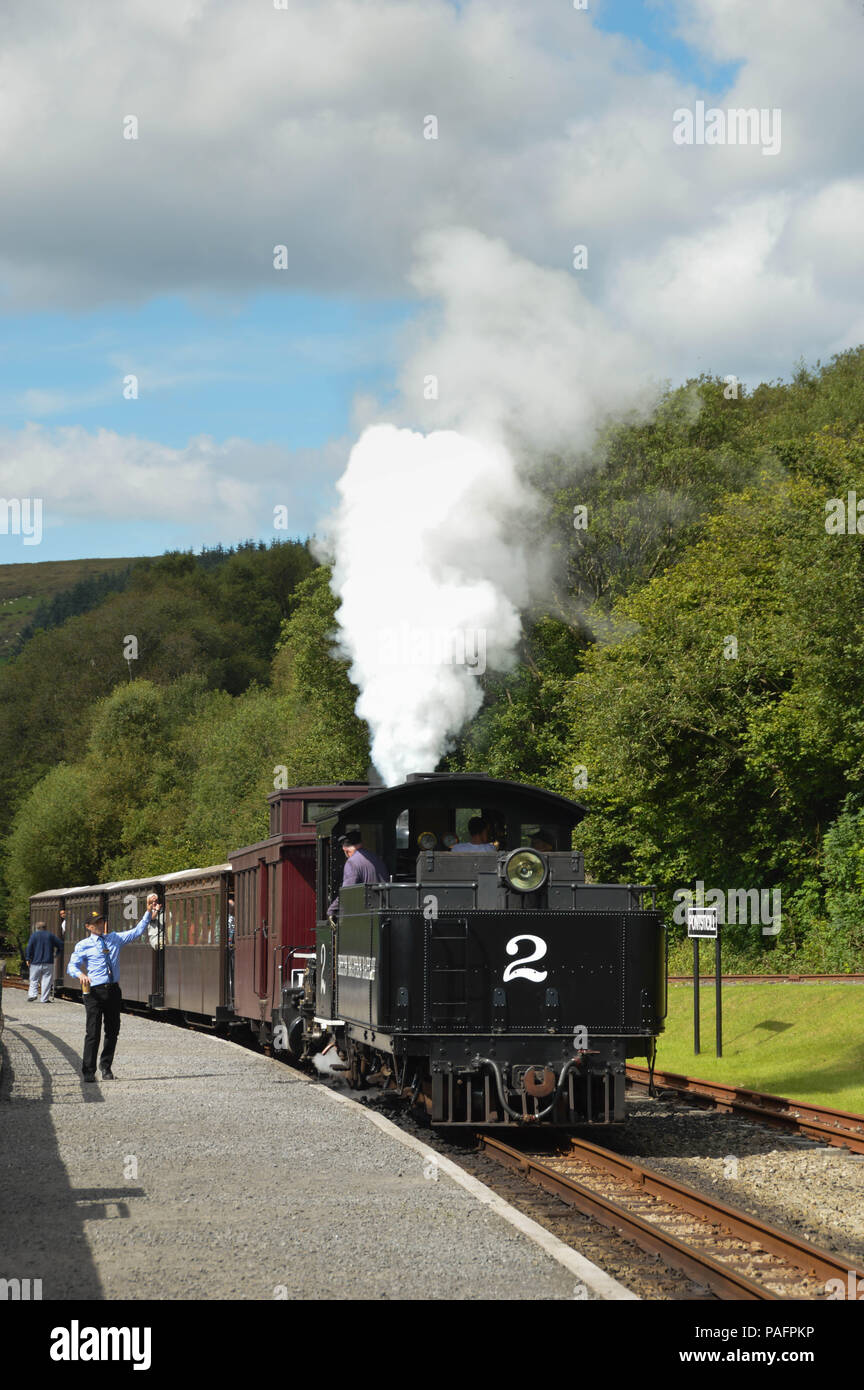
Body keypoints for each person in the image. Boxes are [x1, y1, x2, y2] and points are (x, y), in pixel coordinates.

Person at [67, 894, 158, 1083]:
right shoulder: (83, 945)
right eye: (96, 923)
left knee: (113, 1030)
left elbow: (137, 931)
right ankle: (88, 1070)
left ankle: (106, 1067)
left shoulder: (114, 939)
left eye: (101, 922)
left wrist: (148, 912)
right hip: (93, 992)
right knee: (93, 1031)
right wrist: (80, 975)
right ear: (88, 927)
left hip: (112, 991)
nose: (100, 925)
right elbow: (71, 966)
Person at [328, 832, 390, 915]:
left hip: (366, 914)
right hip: (384, 911)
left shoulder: (352, 862)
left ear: (345, 850)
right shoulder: (375, 858)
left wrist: (331, 910)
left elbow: (346, 893)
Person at [24, 921, 64, 1004]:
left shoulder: (34, 936)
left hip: (35, 962)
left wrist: (28, 958)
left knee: (34, 979)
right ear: (46, 927)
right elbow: (60, 944)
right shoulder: (50, 935)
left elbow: (29, 947)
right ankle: (44, 999)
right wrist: (57, 953)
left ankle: (32, 995)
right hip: (48, 962)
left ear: (36, 928)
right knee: (47, 980)